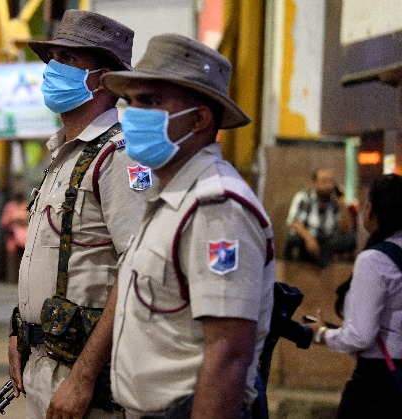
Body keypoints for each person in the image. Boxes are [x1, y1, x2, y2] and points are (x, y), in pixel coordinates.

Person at [98, 33, 274, 418]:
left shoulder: (218, 207)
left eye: (151, 101)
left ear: (198, 119)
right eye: (130, 101)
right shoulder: (168, 200)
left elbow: (228, 354)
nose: (133, 113)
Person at [8, 10, 147, 418]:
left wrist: (84, 377)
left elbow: (135, 271)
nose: (54, 69)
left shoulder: (118, 157)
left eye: (69, 60)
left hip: (86, 377)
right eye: (53, 58)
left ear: (103, 78)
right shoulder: (64, 156)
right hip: (45, 363)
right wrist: (21, 330)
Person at [310, 174, 402, 418]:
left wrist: (322, 334)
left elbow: (361, 336)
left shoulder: (374, 261)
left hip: (379, 383)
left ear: (370, 209)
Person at [284, 168, 357, 266]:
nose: (328, 186)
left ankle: (323, 261)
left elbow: (344, 228)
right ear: (315, 183)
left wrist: (342, 205)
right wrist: (309, 239)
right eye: (324, 181)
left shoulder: (335, 201)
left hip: (327, 241)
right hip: (307, 239)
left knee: (350, 238)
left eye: (331, 181)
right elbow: (294, 222)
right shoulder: (304, 197)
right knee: (293, 240)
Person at [0, 190, 28, 284]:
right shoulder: (10, 207)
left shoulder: (25, 206)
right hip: (13, 238)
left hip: (25, 238)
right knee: (13, 260)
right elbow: (5, 221)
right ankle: (13, 279)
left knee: (23, 259)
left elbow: (28, 220)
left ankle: (21, 279)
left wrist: (19, 221)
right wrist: (15, 221)